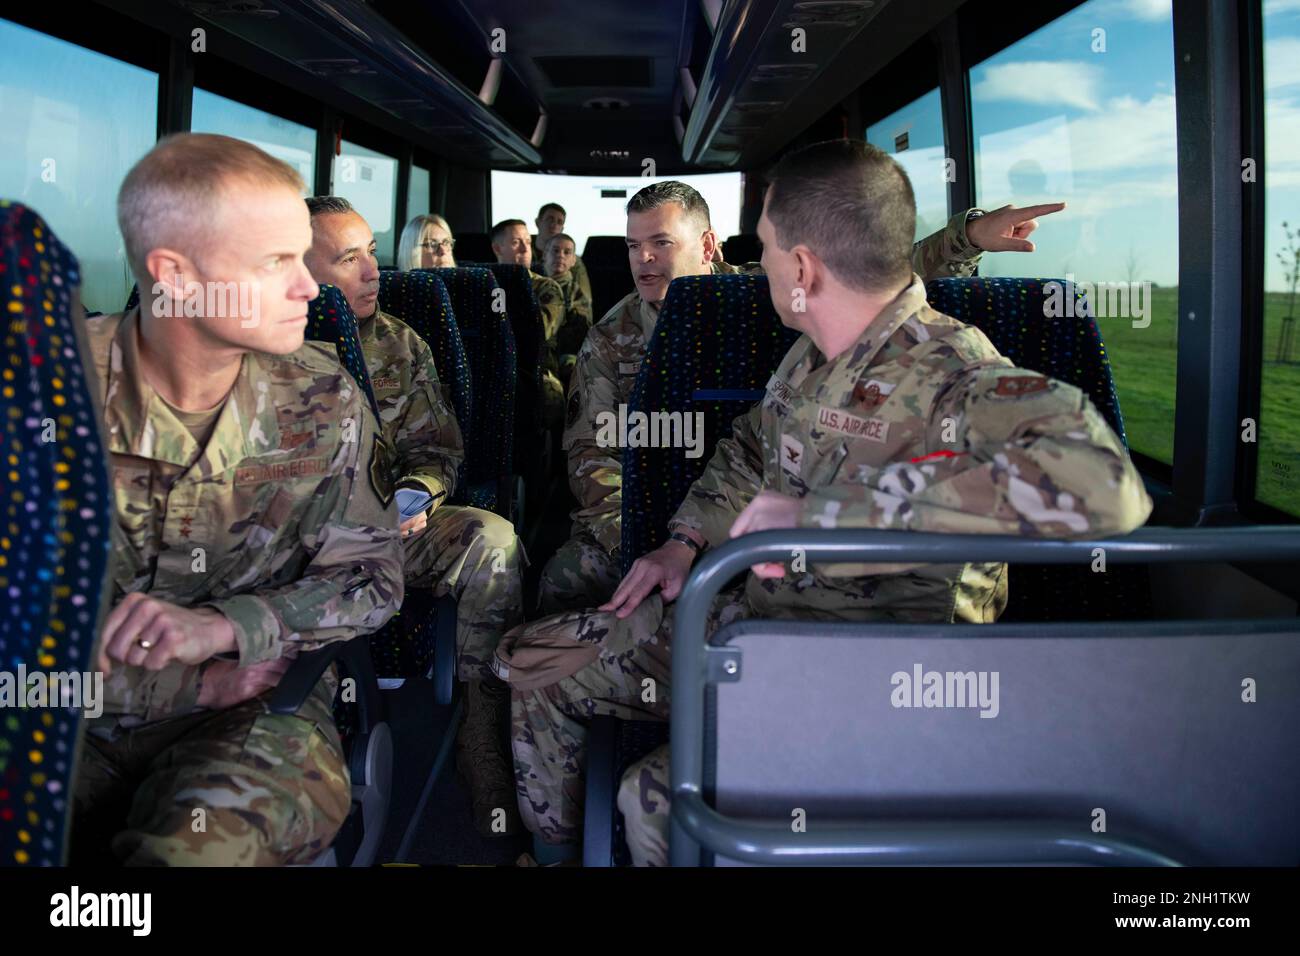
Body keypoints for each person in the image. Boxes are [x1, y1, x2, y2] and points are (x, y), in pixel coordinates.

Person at [497, 141, 1151, 859]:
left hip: (880, 671)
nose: (760, 266)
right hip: (766, 622)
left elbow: (1103, 486)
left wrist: (827, 518)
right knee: (533, 663)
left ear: (803, 267)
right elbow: (750, 446)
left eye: (769, 249)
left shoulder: (949, 366)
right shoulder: (812, 356)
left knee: (650, 802)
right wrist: (683, 543)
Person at [71, 133, 404, 866]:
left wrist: (227, 628)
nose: (310, 289)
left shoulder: (321, 396)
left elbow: (372, 580)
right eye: (276, 262)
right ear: (177, 277)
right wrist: (188, 681)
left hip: (255, 708)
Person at [537, 178, 1065, 615]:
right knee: (563, 581)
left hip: (789, 501)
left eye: (661, 243)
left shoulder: (774, 296)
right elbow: (594, 457)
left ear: (707, 245)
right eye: (633, 246)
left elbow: (879, 281)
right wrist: (641, 542)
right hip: (655, 514)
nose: (643, 259)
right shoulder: (610, 339)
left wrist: (967, 236)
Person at [306, 197, 524, 835]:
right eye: (349, 259)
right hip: (290, 546)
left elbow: (438, 451)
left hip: (392, 531)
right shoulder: (257, 345)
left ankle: (481, 731)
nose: (373, 271)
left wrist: (413, 495)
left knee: (494, 541)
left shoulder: (402, 342)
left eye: (372, 252)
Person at [491, 218, 567, 429]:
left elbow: (538, 333)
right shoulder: (482, 285)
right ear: (497, 248)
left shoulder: (546, 288)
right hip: (488, 366)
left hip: (535, 369)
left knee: (548, 395)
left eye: (527, 241)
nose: (526, 248)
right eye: (516, 242)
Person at [541, 231, 593, 379]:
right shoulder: (532, 284)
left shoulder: (576, 293)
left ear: (573, 261)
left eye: (567, 252)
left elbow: (580, 331)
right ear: (545, 254)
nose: (560, 255)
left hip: (562, 354)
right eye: (555, 250)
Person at [534, 202, 592, 306]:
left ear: (562, 229)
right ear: (538, 222)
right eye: (550, 219)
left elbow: (584, 300)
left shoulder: (574, 261)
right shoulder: (524, 251)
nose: (554, 225)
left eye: (559, 222)